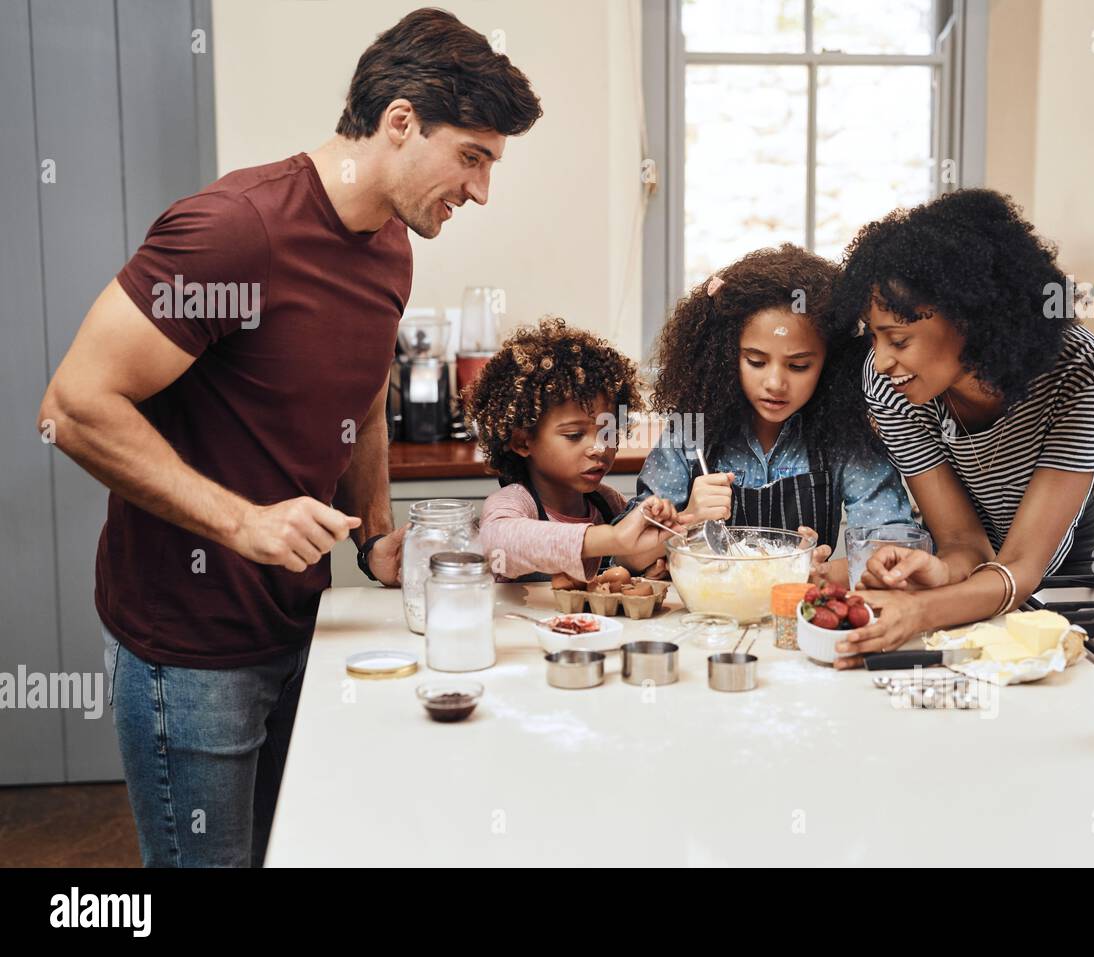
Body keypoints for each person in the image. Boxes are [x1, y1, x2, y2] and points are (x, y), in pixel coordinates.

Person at [37, 9, 541, 865]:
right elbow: (76, 404)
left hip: (299, 626)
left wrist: (379, 531)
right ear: (401, 122)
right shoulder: (237, 228)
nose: (481, 190)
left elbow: (365, 398)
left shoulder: (391, 245)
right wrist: (243, 524)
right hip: (190, 648)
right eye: (472, 158)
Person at [822, 189, 1094, 664]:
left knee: (1059, 680)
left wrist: (919, 610)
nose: (881, 360)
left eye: (899, 339)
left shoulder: (1082, 372)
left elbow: (1023, 563)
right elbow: (964, 542)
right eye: (875, 336)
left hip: (1074, 555)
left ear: (972, 320)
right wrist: (937, 572)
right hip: (977, 547)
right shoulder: (892, 384)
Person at [624, 244, 911, 567]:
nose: (775, 383)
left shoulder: (843, 435)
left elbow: (892, 542)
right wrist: (689, 518)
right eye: (756, 362)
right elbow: (628, 554)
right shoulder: (692, 431)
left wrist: (828, 571)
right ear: (725, 357)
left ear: (831, 364)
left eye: (799, 366)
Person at [468, 319, 682, 584]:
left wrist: (644, 564)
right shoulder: (514, 503)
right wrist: (613, 538)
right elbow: (496, 543)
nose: (599, 448)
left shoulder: (607, 502)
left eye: (608, 431)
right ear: (523, 442)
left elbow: (620, 567)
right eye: (574, 435)